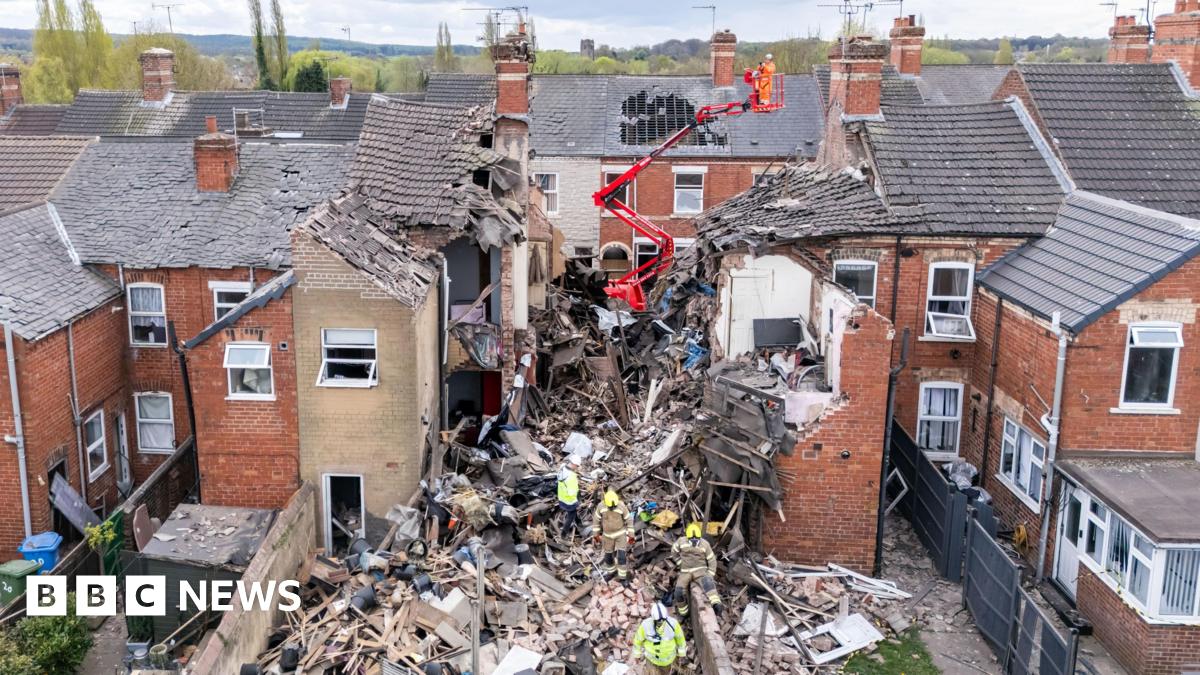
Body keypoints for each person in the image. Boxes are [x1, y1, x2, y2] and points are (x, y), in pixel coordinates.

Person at [671, 522, 723, 617]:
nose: (694, 541)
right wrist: (679, 563)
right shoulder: (681, 542)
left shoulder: (705, 544)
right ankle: (684, 612)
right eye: (692, 539)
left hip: (700, 570)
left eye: (697, 539)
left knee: (708, 584)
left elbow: (711, 559)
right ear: (687, 537)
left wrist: (710, 574)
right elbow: (674, 552)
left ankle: (716, 604)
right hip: (685, 572)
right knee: (679, 592)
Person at [592, 488, 635, 583]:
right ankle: (611, 572)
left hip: (620, 534)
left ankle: (622, 578)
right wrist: (596, 535)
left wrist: (631, 535)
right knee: (608, 557)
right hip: (607, 536)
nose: (612, 508)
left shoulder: (621, 506)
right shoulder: (601, 506)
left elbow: (629, 520)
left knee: (621, 557)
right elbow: (596, 520)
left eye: (614, 506)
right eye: (610, 507)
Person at [631, 602, 686, 674]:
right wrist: (637, 655)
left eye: (663, 620)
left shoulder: (673, 624)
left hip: (668, 661)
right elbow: (637, 641)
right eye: (658, 621)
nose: (661, 622)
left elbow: (680, 639)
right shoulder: (645, 625)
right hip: (652, 661)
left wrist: (682, 654)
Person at [557, 458, 581, 536]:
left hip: (562, 498)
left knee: (573, 512)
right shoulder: (571, 477)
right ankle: (563, 534)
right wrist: (576, 503)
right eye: (577, 466)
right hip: (569, 501)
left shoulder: (562, 468)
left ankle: (579, 522)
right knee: (570, 516)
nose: (577, 468)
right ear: (573, 464)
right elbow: (572, 493)